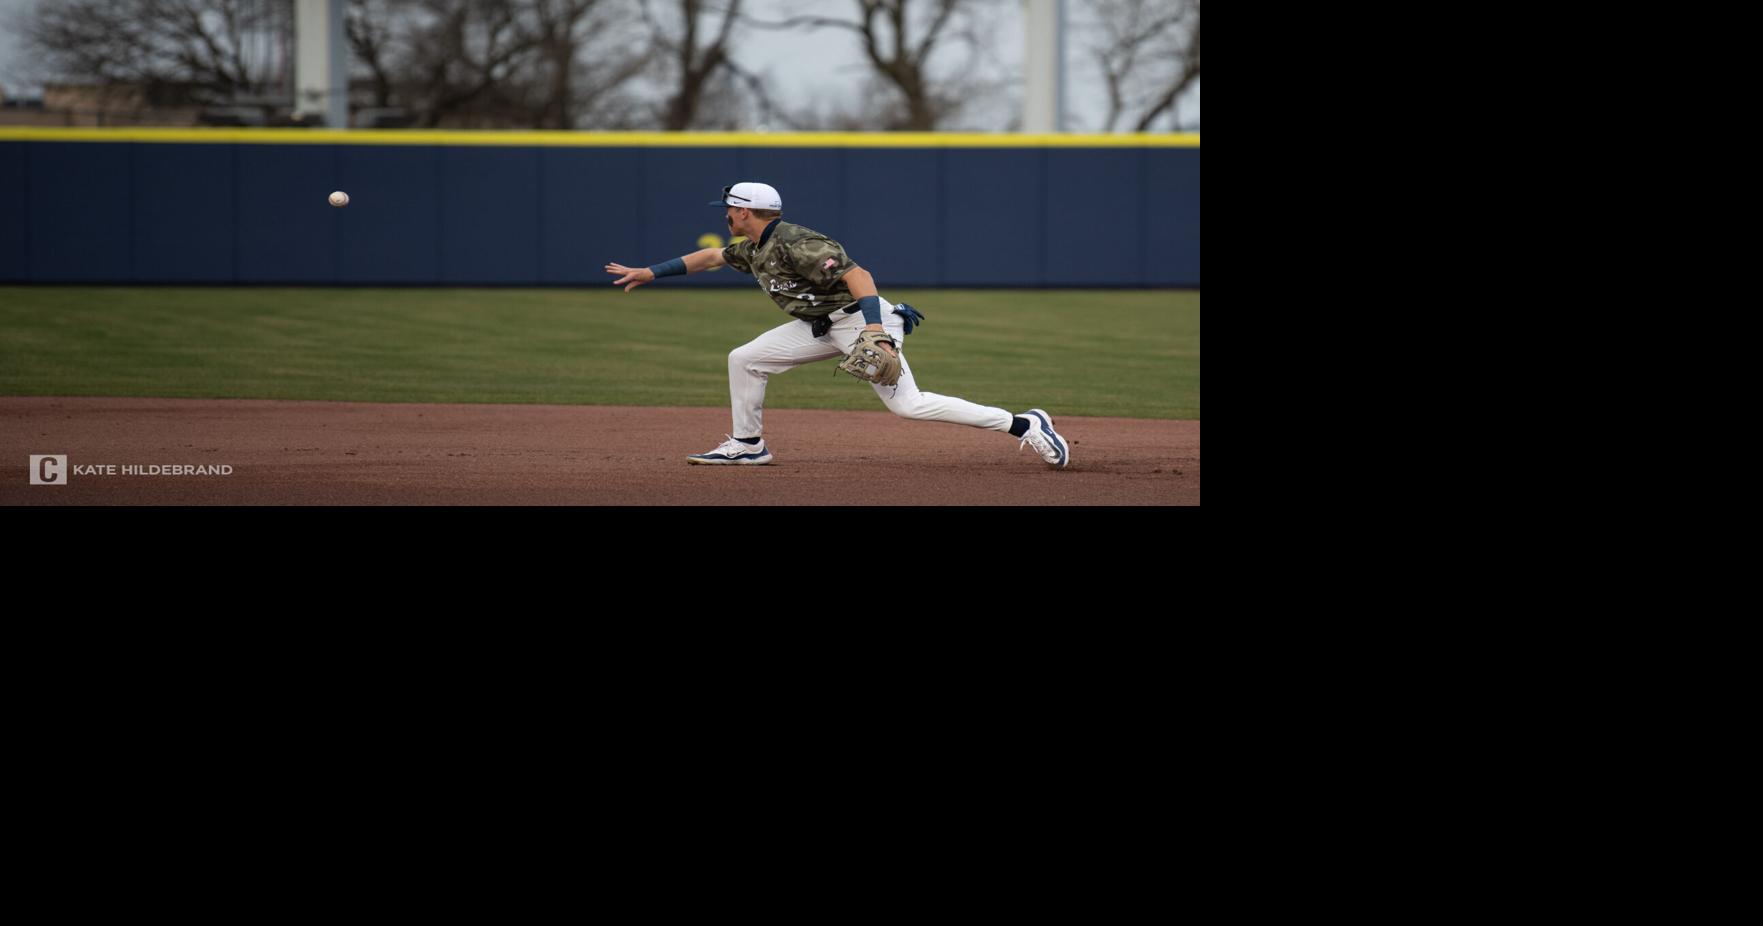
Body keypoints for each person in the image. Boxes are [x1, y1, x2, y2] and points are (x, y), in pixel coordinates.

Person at [604, 181, 1069, 468]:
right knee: (745, 359)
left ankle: (1025, 425)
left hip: (862, 322)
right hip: (819, 326)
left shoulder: (795, 241)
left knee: (909, 406)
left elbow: (857, 275)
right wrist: (651, 272)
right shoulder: (752, 246)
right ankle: (748, 446)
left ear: (744, 211)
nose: (724, 215)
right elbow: (709, 257)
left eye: (728, 208)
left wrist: (875, 331)